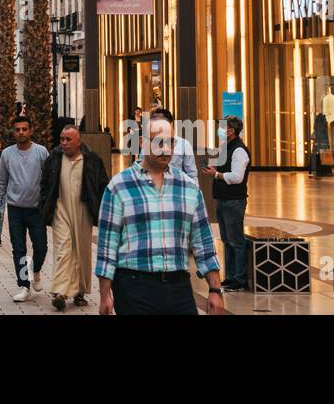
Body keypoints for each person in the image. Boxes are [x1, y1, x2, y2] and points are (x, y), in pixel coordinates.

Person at [96, 114, 223, 315]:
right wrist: (105, 295)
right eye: (159, 142)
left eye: (171, 142)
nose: (165, 149)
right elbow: (107, 247)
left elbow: (204, 243)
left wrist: (215, 290)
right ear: (142, 143)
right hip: (134, 287)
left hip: (178, 286)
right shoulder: (119, 187)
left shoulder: (188, 188)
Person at [39, 125, 110, 311]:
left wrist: (102, 209)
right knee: (64, 248)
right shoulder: (54, 159)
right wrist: (45, 204)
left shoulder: (92, 160)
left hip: (83, 211)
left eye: (68, 139)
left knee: (82, 251)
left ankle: (80, 291)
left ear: (79, 141)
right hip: (60, 210)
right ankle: (60, 292)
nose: (63, 143)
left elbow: (103, 185)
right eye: (61, 139)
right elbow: (45, 184)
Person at [0, 115, 50, 302]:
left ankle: (36, 270)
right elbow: (1, 182)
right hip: (15, 209)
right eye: (17, 129)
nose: (21, 132)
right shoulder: (7, 154)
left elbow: (49, 180)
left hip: (36, 210)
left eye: (24, 129)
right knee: (19, 249)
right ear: (13, 132)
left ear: (31, 130)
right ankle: (24, 286)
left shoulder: (41, 152)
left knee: (41, 246)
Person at [202, 115, 250, 292]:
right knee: (227, 240)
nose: (220, 130)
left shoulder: (239, 150)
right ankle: (230, 277)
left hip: (233, 201)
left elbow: (237, 177)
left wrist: (216, 174)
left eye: (223, 127)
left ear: (231, 130)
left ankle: (240, 279)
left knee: (236, 241)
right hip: (223, 199)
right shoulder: (227, 147)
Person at [148, 108, 198, 184]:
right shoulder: (148, 143)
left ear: (170, 123)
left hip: (177, 188)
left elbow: (192, 174)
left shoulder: (184, 144)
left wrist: (194, 191)